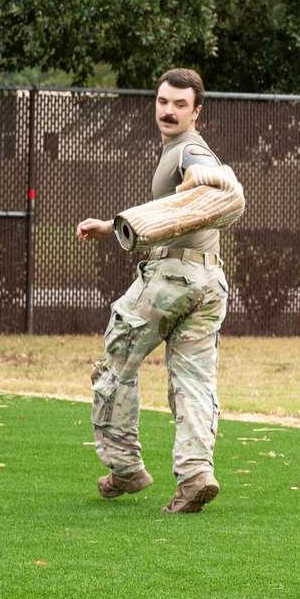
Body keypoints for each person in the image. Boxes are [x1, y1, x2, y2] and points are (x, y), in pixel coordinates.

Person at [76, 68, 231, 513]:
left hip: (172, 280)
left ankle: (124, 467)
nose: (169, 110)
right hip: (211, 281)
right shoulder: (175, 151)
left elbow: (204, 175)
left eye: (181, 104)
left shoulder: (191, 151)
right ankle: (196, 475)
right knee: (194, 383)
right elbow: (169, 211)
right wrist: (113, 226)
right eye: (164, 101)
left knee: (114, 364)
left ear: (196, 112)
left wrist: (210, 180)